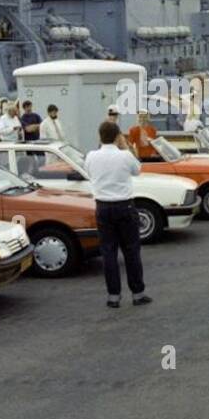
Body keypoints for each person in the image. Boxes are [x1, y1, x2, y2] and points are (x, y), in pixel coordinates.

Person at [84, 119, 151, 308]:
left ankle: (113, 296)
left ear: (99, 137)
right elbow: (137, 170)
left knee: (108, 253)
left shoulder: (91, 156)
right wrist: (126, 146)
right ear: (117, 136)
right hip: (125, 206)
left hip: (103, 207)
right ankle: (138, 293)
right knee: (131, 251)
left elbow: (89, 173)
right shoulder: (125, 156)